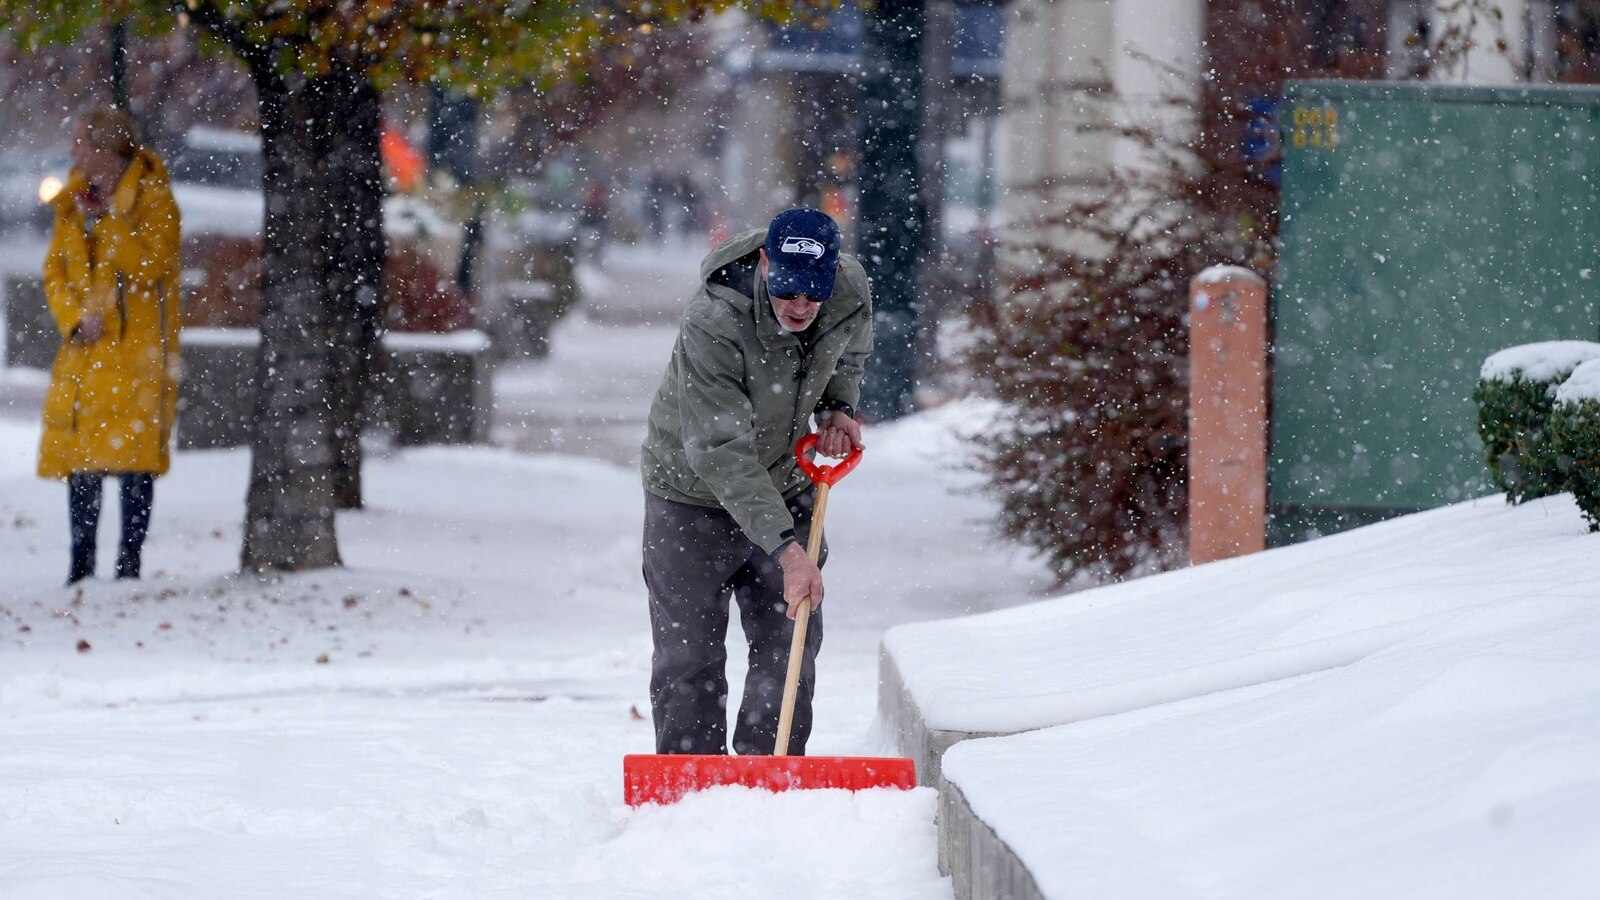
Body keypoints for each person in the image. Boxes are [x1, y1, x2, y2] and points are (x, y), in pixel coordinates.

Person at [641, 207, 873, 756]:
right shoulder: (715, 320)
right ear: (765, 262)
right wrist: (789, 551)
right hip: (690, 495)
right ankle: (690, 786)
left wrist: (838, 406)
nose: (799, 307)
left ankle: (770, 777)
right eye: (787, 290)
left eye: (811, 296)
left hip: (788, 482)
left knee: (788, 642)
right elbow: (720, 450)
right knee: (689, 656)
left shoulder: (848, 292)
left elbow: (849, 350)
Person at [37, 107, 182, 585]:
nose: (76, 152)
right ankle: (80, 568)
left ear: (108, 149)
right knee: (83, 462)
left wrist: (112, 222)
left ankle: (129, 567)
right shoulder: (73, 201)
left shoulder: (152, 199)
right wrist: (75, 319)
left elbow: (151, 265)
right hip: (87, 351)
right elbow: (56, 270)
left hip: (135, 354)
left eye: (84, 143)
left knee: (134, 463)